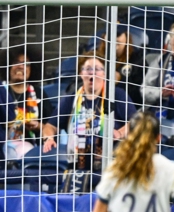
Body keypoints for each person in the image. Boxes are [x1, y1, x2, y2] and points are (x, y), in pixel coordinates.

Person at [49, 52, 135, 193]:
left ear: (104, 74)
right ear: (80, 74)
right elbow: (50, 126)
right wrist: (49, 137)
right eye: (87, 69)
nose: (92, 73)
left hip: (111, 163)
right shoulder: (71, 98)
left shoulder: (116, 95)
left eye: (97, 69)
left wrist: (119, 133)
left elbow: (136, 123)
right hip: (78, 164)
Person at [4, 47, 57, 159]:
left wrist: (37, 125)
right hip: (0, 148)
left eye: (26, 64)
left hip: (32, 151)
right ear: (8, 66)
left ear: (32, 70)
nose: (20, 66)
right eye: (16, 62)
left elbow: (51, 126)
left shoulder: (39, 94)